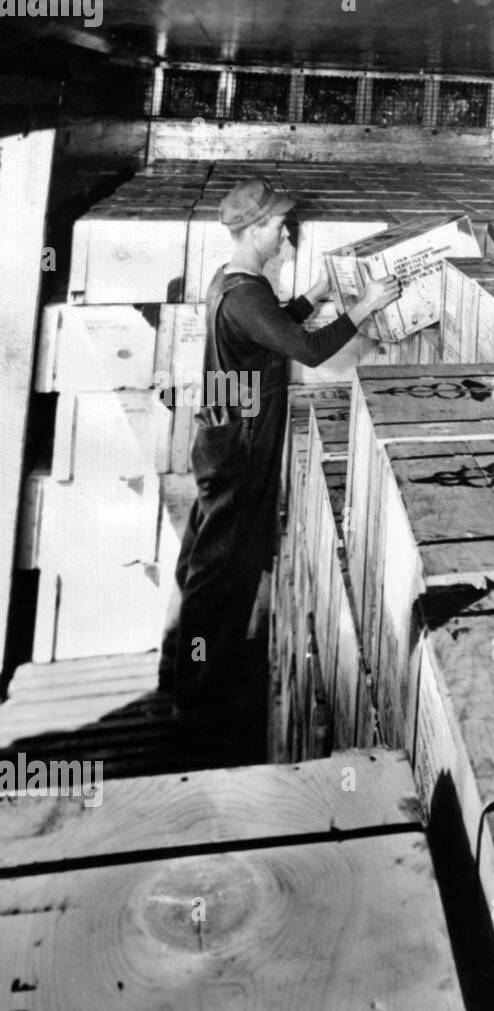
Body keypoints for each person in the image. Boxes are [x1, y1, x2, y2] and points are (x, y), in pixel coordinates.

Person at [159, 176, 400, 754]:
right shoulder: (245, 293)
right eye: (275, 224)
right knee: (223, 577)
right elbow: (309, 350)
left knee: (205, 561)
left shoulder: (236, 284)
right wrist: (364, 308)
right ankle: (196, 706)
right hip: (239, 451)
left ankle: (184, 678)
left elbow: (270, 330)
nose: (283, 231)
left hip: (226, 440)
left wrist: (315, 294)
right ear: (251, 230)